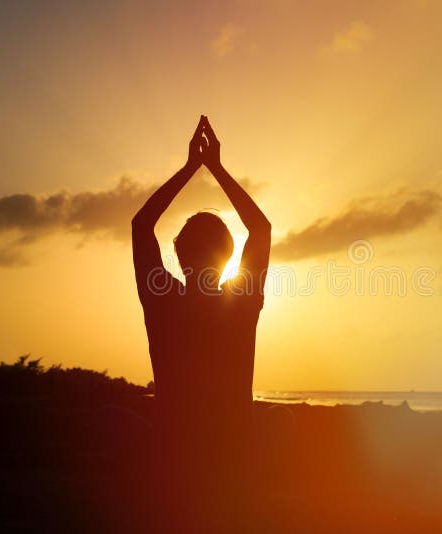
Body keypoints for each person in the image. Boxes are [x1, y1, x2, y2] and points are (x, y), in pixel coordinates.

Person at [131, 115, 271, 526]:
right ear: (228, 256)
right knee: (282, 422)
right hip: (232, 453)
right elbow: (260, 228)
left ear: (179, 254)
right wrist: (217, 169)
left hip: (172, 450)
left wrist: (191, 167)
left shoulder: (162, 297)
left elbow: (141, 225)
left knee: (110, 417)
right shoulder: (242, 300)